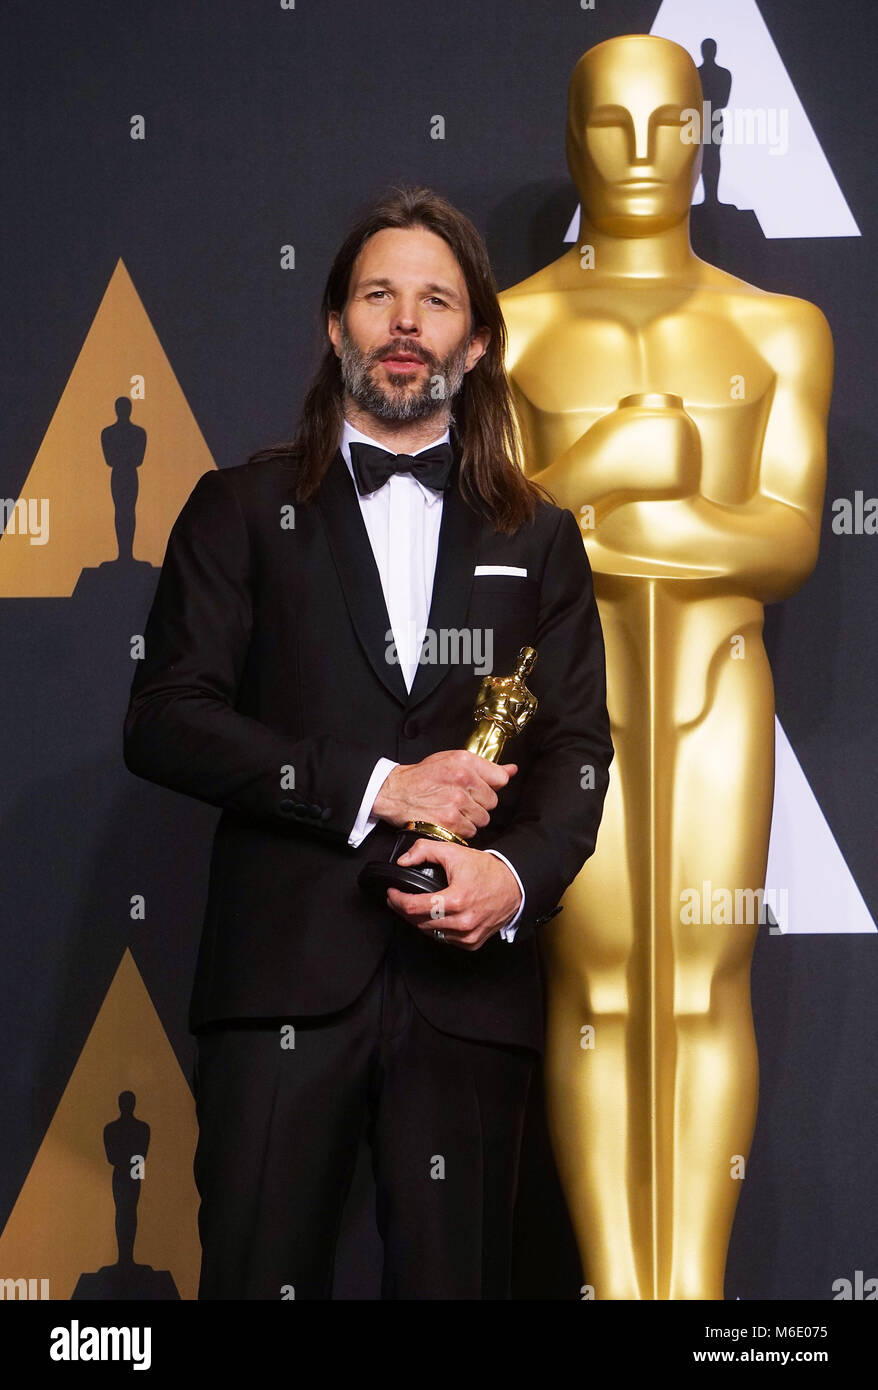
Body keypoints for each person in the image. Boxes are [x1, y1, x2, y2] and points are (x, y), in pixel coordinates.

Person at [123, 184, 614, 1300]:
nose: (405, 322)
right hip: (278, 988)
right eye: (377, 295)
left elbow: (578, 749)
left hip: (466, 999)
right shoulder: (238, 509)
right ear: (333, 326)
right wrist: (378, 785)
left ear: (478, 340)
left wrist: (511, 877)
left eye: (435, 300)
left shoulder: (535, 537)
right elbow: (164, 720)